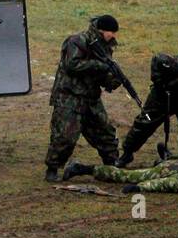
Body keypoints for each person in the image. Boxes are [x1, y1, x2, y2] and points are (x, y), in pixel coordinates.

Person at [44, 15, 122, 182]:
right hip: (69, 96)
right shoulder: (77, 41)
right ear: (102, 30)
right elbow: (72, 65)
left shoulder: (105, 47)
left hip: (90, 97)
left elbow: (101, 74)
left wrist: (111, 80)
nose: (114, 36)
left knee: (104, 131)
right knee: (65, 135)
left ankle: (112, 163)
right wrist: (98, 66)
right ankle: (53, 168)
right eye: (111, 32)